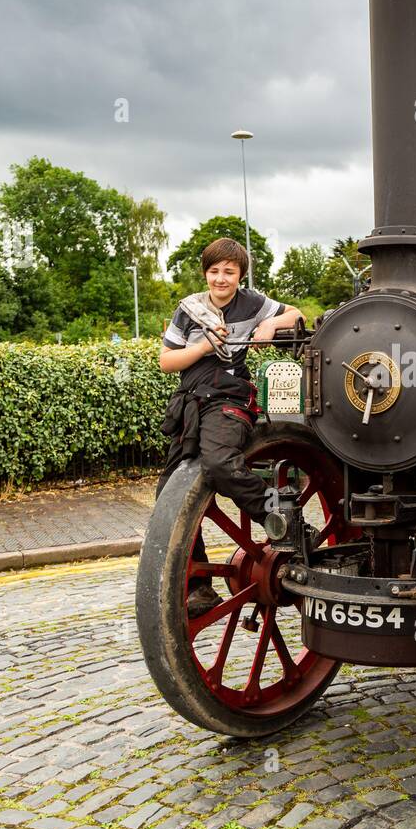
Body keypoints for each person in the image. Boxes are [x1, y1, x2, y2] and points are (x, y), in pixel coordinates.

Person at [156, 236, 302, 615]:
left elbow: (296, 314)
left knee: (220, 464)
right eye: (214, 271)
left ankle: (284, 521)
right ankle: (199, 587)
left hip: (229, 399)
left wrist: (271, 325)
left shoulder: (252, 302)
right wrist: (202, 349)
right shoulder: (188, 309)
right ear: (205, 273)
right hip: (190, 402)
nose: (221, 279)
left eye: (229, 272)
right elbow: (167, 362)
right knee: (167, 493)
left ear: (240, 275)